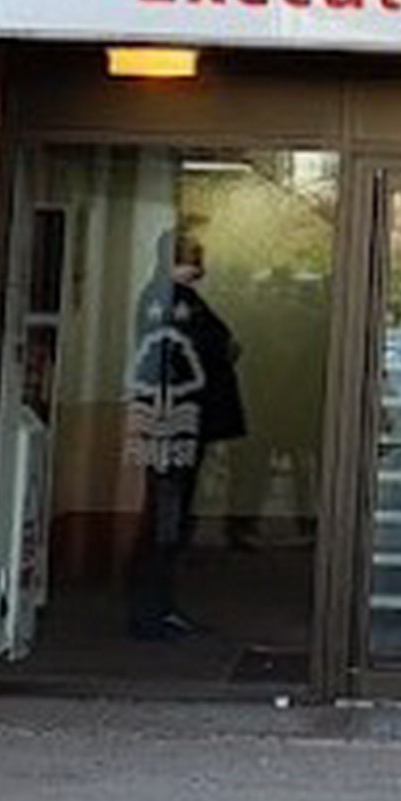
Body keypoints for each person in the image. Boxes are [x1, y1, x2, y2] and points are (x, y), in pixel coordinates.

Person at [125, 229, 247, 640]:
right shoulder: (167, 301)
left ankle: (158, 606)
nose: (203, 260)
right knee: (166, 518)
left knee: (170, 516)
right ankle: (150, 611)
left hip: (179, 421)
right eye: (196, 253)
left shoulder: (171, 298)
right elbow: (199, 350)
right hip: (173, 423)